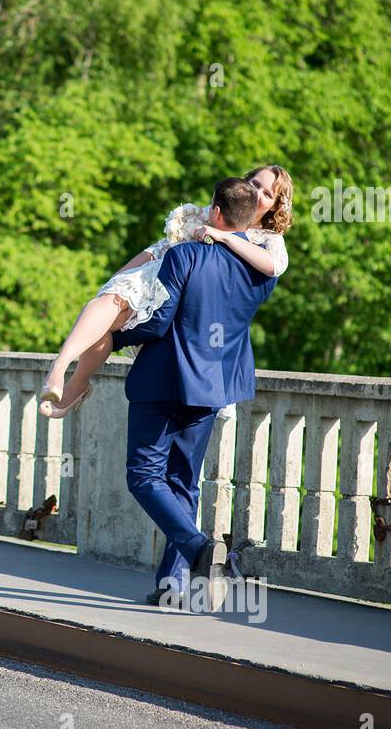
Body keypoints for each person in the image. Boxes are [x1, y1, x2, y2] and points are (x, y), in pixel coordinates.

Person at [109, 176, 279, 608]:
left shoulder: (185, 256)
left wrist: (113, 337)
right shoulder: (262, 275)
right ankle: (173, 588)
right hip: (212, 386)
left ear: (216, 213)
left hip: (163, 381)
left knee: (144, 475)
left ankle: (200, 547)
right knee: (184, 482)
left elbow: (158, 321)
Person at [38, 165, 292, 417]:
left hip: (187, 304)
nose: (256, 192)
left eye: (267, 193)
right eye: (255, 183)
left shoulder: (268, 239)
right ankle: (61, 369)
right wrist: (119, 276)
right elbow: (162, 247)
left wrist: (224, 237)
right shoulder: (209, 212)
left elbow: (274, 266)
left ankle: (78, 383)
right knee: (108, 300)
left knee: (111, 316)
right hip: (158, 276)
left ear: (274, 206)